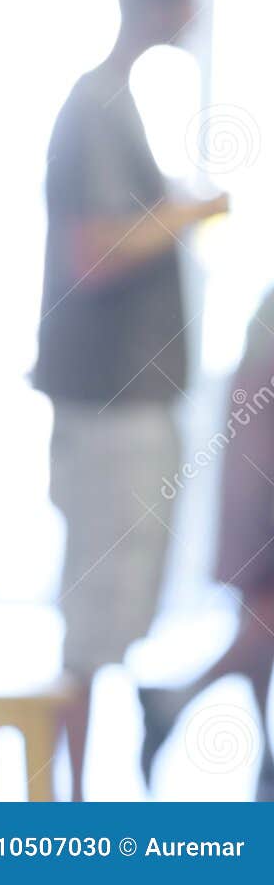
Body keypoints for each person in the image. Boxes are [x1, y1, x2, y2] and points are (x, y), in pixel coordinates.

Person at [33, 0, 226, 801]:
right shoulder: (97, 103)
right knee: (91, 626)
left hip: (129, 404)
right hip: (108, 409)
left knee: (114, 621)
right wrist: (191, 212)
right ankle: (72, 813)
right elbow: (95, 250)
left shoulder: (116, 103)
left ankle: (86, 803)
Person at [139, 289, 274, 799]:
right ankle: (174, 699)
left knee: (257, 613)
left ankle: (261, 751)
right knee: (262, 612)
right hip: (263, 439)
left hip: (255, 434)